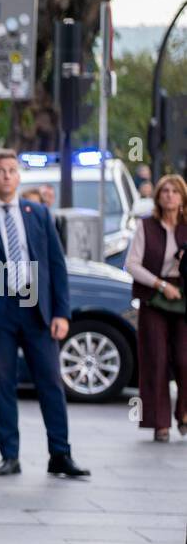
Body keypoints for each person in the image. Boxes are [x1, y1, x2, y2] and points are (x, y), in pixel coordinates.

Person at [0, 149, 89, 478]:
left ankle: (60, 453)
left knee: (51, 383)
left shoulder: (38, 214)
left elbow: (56, 266)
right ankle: (9, 455)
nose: (7, 176)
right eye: (1, 171)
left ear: (19, 176)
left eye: (13, 170)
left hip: (37, 310)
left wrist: (62, 312)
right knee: (3, 385)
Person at [125, 173, 187, 441]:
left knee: (185, 359)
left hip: (184, 297)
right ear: (158, 196)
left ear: (183, 197)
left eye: (175, 191)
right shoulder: (146, 226)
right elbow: (132, 264)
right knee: (156, 359)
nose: (170, 195)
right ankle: (158, 421)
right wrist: (161, 285)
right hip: (154, 297)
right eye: (165, 191)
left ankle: (184, 414)